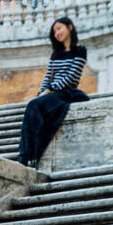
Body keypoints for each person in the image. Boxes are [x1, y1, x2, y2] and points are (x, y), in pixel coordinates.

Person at [18, 17, 88, 168]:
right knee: (33, 105)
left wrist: (50, 89)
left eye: (59, 28)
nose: (57, 33)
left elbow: (72, 76)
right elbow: (48, 76)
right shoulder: (55, 54)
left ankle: (27, 155)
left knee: (35, 107)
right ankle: (27, 154)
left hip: (68, 92)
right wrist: (41, 92)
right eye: (54, 31)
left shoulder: (80, 51)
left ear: (70, 27)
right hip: (53, 93)